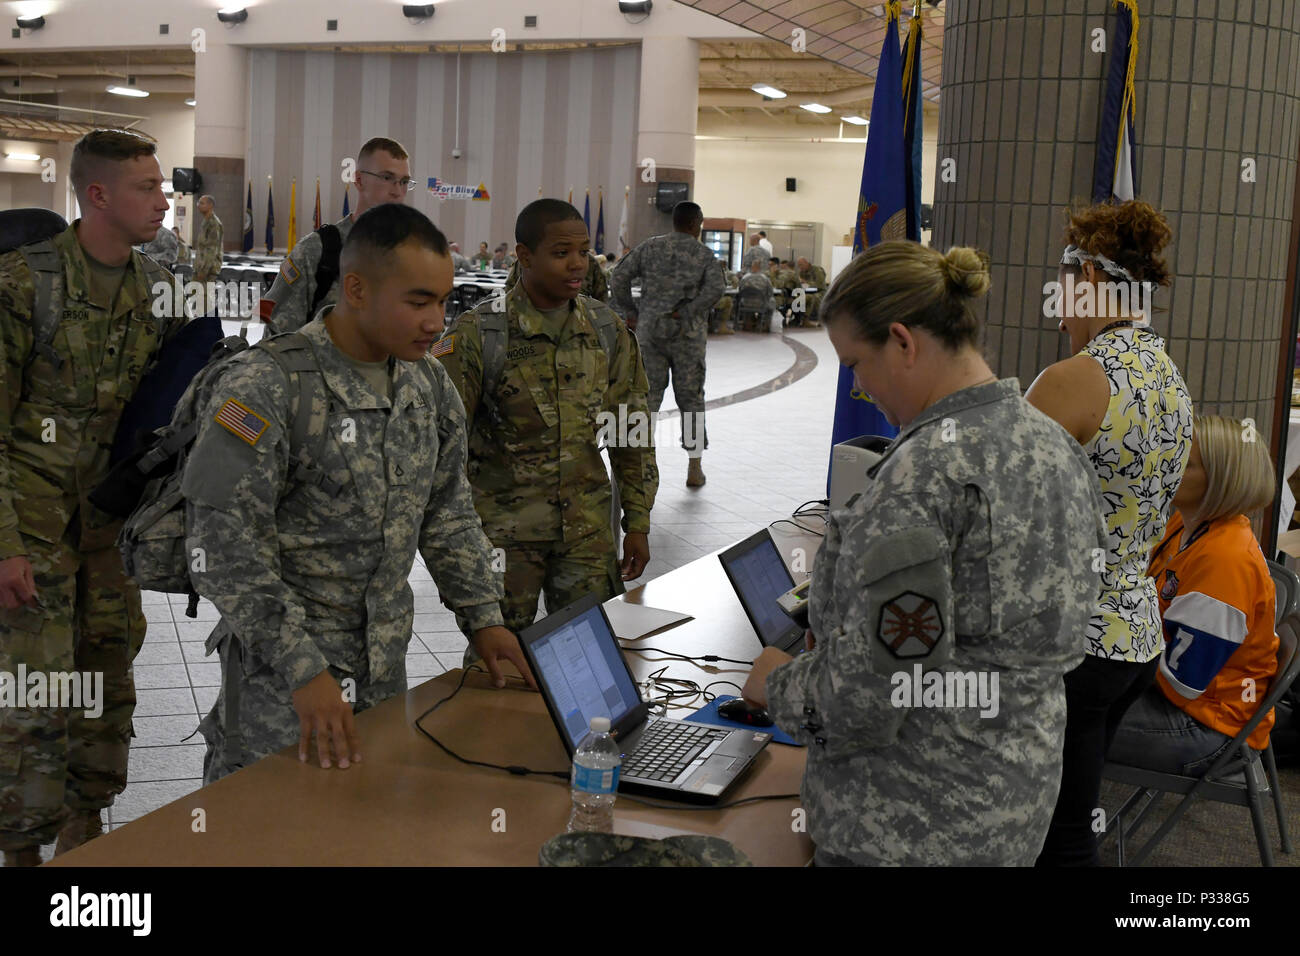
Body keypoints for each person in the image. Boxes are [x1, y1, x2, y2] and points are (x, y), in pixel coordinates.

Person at [742, 242, 1106, 866]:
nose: (858, 388)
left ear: (905, 343)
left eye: (856, 363)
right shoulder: (1053, 444)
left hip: (908, 822)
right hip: (1015, 803)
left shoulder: (922, 474)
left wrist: (776, 686)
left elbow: (875, 690)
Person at [185, 204, 533, 784]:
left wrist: (484, 617)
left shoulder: (426, 384)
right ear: (356, 289)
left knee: (362, 821)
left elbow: (447, 512)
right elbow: (222, 546)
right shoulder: (266, 386)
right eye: (418, 301)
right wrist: (302, 669)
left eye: (444, 302)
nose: (436, 321)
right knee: (263, 829)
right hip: (280, 682)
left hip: (382, 669)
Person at [0, 129, 187, 867]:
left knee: (104, 687)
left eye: (162, 185)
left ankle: (86, 838)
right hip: (34, 530)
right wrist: (5, 544)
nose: (163, 200)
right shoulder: (23, 286)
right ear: (98, 195)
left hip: (109, 533)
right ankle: (19, 853)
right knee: (32, 701)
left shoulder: (158, 292)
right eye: (147, 187)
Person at [1025, 199, 1193, 866]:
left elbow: (998, 512)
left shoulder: (1072, 381)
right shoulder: (1171, 382)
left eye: (1061, 291)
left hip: (1073, 643)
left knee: (1051, 835)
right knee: (1072, 821)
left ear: (1089, 280)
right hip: (1135, 637)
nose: (1059, 311)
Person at [435, 198, 657, 644]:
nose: (577, 264)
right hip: (502, 535)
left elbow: (630, 431)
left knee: (591, 655)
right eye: (561, 253)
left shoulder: (607, 331)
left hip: (586, 532)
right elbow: (443, 450)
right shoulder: (479, 334)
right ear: (524, 255)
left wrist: (637, 520)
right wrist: (453, 548)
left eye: (583, 251)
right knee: (497, 664)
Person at [1110, 415, 1278, 774]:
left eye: (1185, 460)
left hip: (1208, 727)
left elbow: (1183, 683)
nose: (1168, 462)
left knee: (1051, 717)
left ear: (1220, 481)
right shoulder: (1188, 524)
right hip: (1185, 702)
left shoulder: (1225, 559)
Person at [610, 201, 723, 488]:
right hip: (688, 337)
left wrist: (632, 311)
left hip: (650, 333)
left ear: (674, 221)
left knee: (646, 399)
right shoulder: (704, 254)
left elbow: (618, 276)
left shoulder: (650, 247)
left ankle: (642, 466)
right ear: (696, 223)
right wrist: (689, 311)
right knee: (691, 399)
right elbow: (716, 289)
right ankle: (694, 467)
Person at [265, 137, 414, 334]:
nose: (397, 191)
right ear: (359, 180)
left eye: (404, 182)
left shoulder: (414, 254)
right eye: (387, 178)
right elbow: (276, 339)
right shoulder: (318, 250)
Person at [505, 249, 607, 301]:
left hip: (578, 325)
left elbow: (601, 296)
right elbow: (510, 291)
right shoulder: (530, 258)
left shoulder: (588, 261)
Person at [192, 194, 223, 314]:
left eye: (202, 203)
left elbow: (212, 249)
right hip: (201, 267)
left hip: (207, 269)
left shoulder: (214, 223)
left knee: (204, 300)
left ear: (210, 205)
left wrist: (203, 270)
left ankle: (205, 326)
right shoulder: (206, 221)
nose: (198, 205)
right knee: (196, 296)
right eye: (198, 202)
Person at [736, 258, 776, 331]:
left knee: (744, 301)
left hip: (745, 303)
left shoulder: (745, 278)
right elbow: (770, 293)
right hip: (760, 303)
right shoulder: (765, 279)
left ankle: (747, 322)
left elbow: (740, 290)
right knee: (772, 301)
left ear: (751, 267)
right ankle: (765, 325)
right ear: (760, 267)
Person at [710, 260, 735, 336]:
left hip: (700, 300)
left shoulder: (708, 272)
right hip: (711, 300)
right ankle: (722, 327)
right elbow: (722, 287)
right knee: (728, 301)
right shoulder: (719, 273)